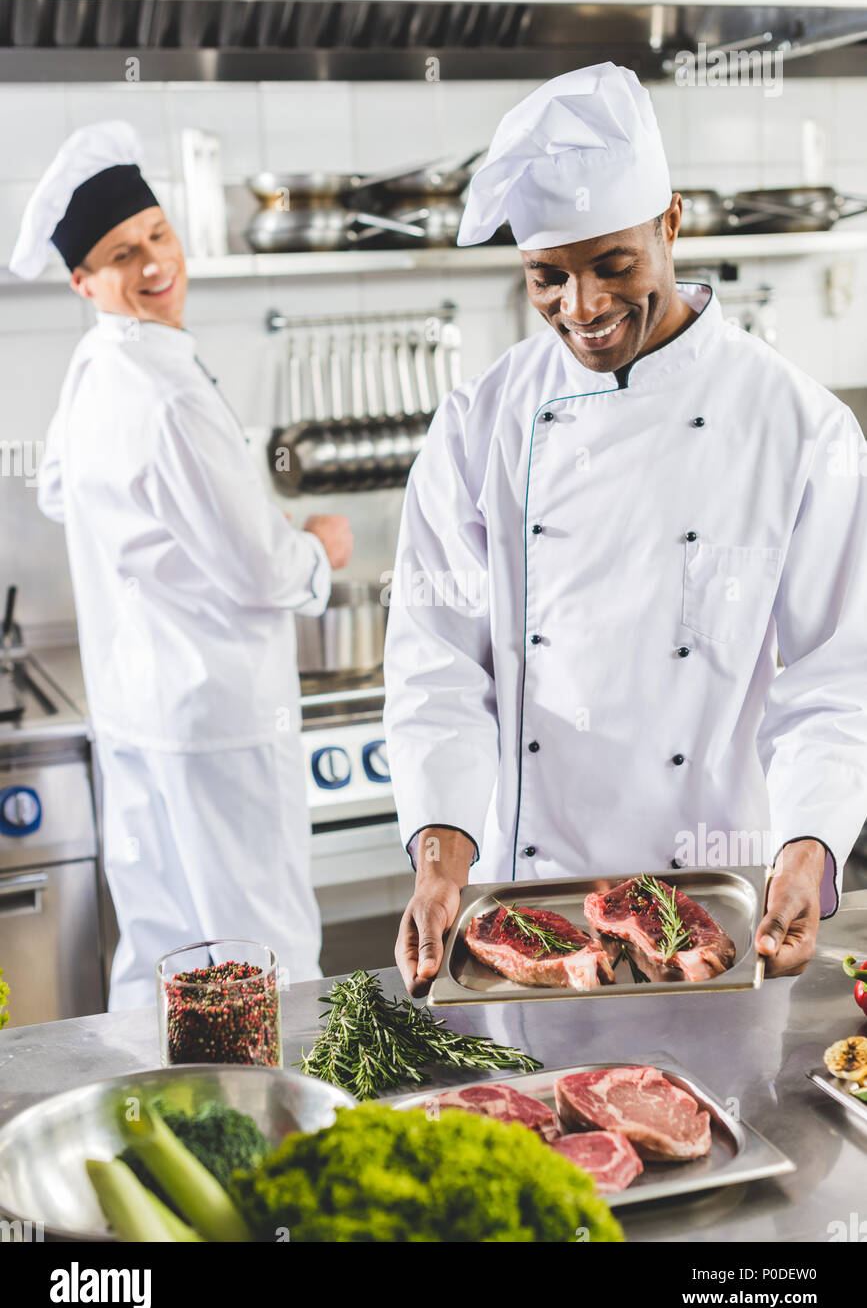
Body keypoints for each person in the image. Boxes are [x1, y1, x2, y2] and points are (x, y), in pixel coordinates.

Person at [383, 63, 867, 994]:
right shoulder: (481, 420)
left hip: (717, 898)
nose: (584, 307)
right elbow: (437, 661)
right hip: (524, 894)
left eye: (614, 267)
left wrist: (808, 849)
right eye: (546, 278)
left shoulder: (799, 427)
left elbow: (834, 678)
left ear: (670, 224)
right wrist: (440, 858)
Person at [10, 121, 353, 1009]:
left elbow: (59, 493)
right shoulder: (164, 389)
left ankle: (172, 1128)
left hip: (136, 715)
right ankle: (291, 1135)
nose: (156, 261)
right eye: (124, 253)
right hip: (219, 721)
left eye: (158, 234)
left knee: (166, 960)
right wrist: (317, 547)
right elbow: (261, 572)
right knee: (262, 956)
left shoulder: (95, 366)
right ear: (85, 282)